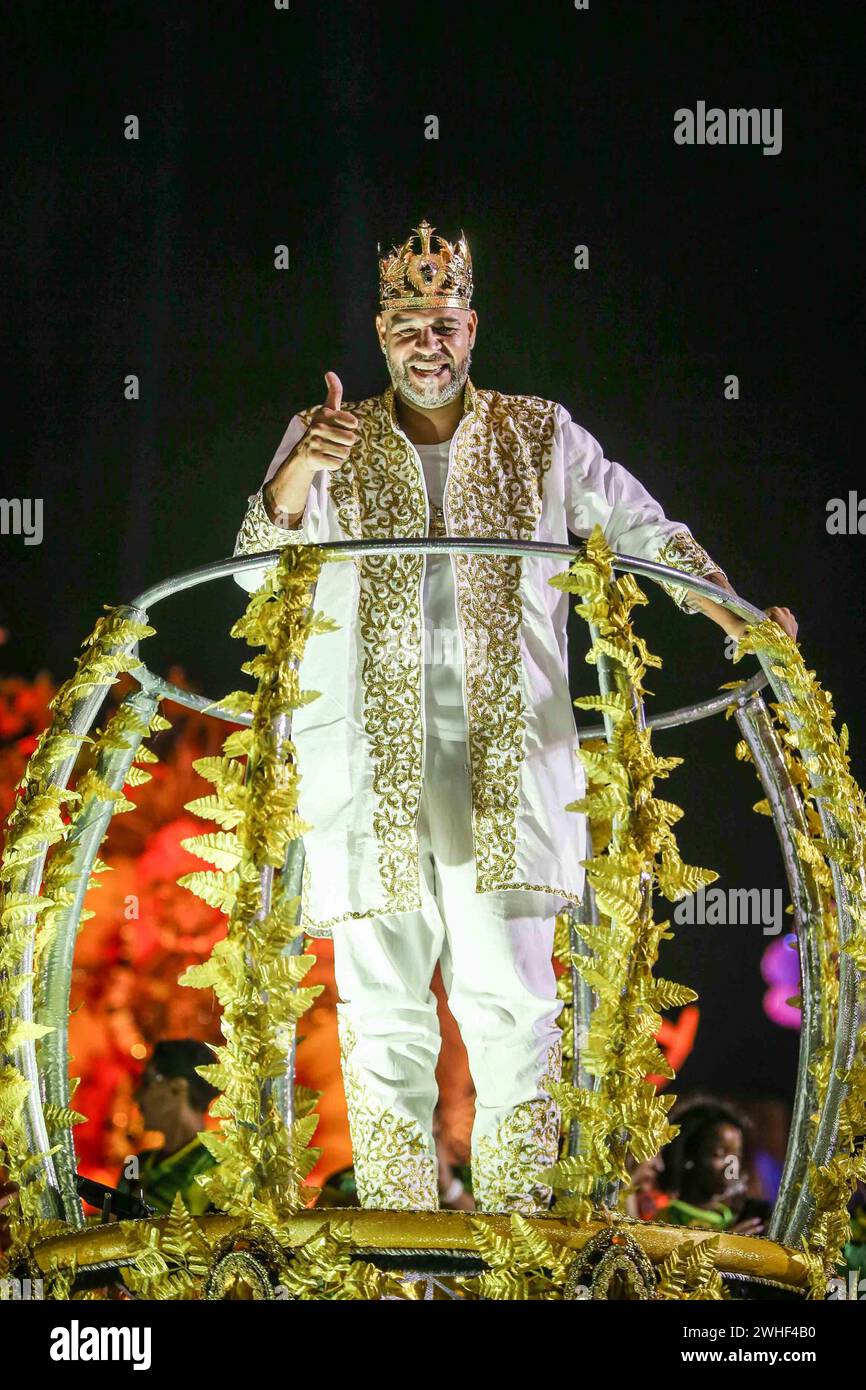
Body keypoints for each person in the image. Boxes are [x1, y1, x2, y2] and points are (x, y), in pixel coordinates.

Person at [232, 218, 798, 1216]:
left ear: (472, 327)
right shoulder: (327, 437)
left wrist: (742, 619)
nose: (428, 345)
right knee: (380, 1011)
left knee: (514, 1004)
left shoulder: (539, 431)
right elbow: (251, 584)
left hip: (509, 754)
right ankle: (399, 1248)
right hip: (369, 765)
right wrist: (296, 474)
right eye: (407, 326)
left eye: (444, 323)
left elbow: (643, 528)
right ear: (378, 333)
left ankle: (513, 1247)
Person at [117, 1039, 219, 1216]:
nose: (138, 1097)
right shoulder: (134, 1165)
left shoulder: (216, 1173)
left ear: (177, 1088)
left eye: (147, 1083)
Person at [656, 1098, 771, 1235]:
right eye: (719, 1154)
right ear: (690, 1156)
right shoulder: (670, 1217)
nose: (732, 1164)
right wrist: (725, 1244)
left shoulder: (729, 1215)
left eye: (736, 1156)